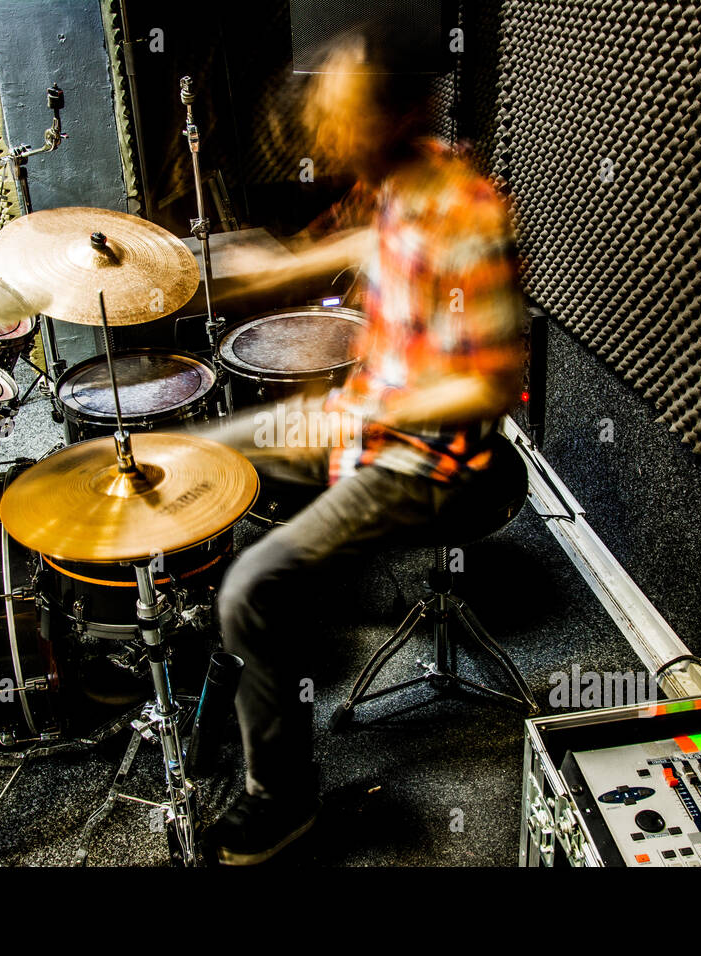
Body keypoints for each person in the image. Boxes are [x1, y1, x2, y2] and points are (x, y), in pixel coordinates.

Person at [196, 34, 528, 865]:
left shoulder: (467, 210)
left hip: (431, 460)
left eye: (341, 115)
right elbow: (366, 245)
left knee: (254, 582)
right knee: (203, 459)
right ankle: (240, 694)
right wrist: (267, 267)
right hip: (367, 418)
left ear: (398, 112)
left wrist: (350, 420)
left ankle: (283, 802)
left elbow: (487, 389)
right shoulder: (397, 180)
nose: (327, 131)